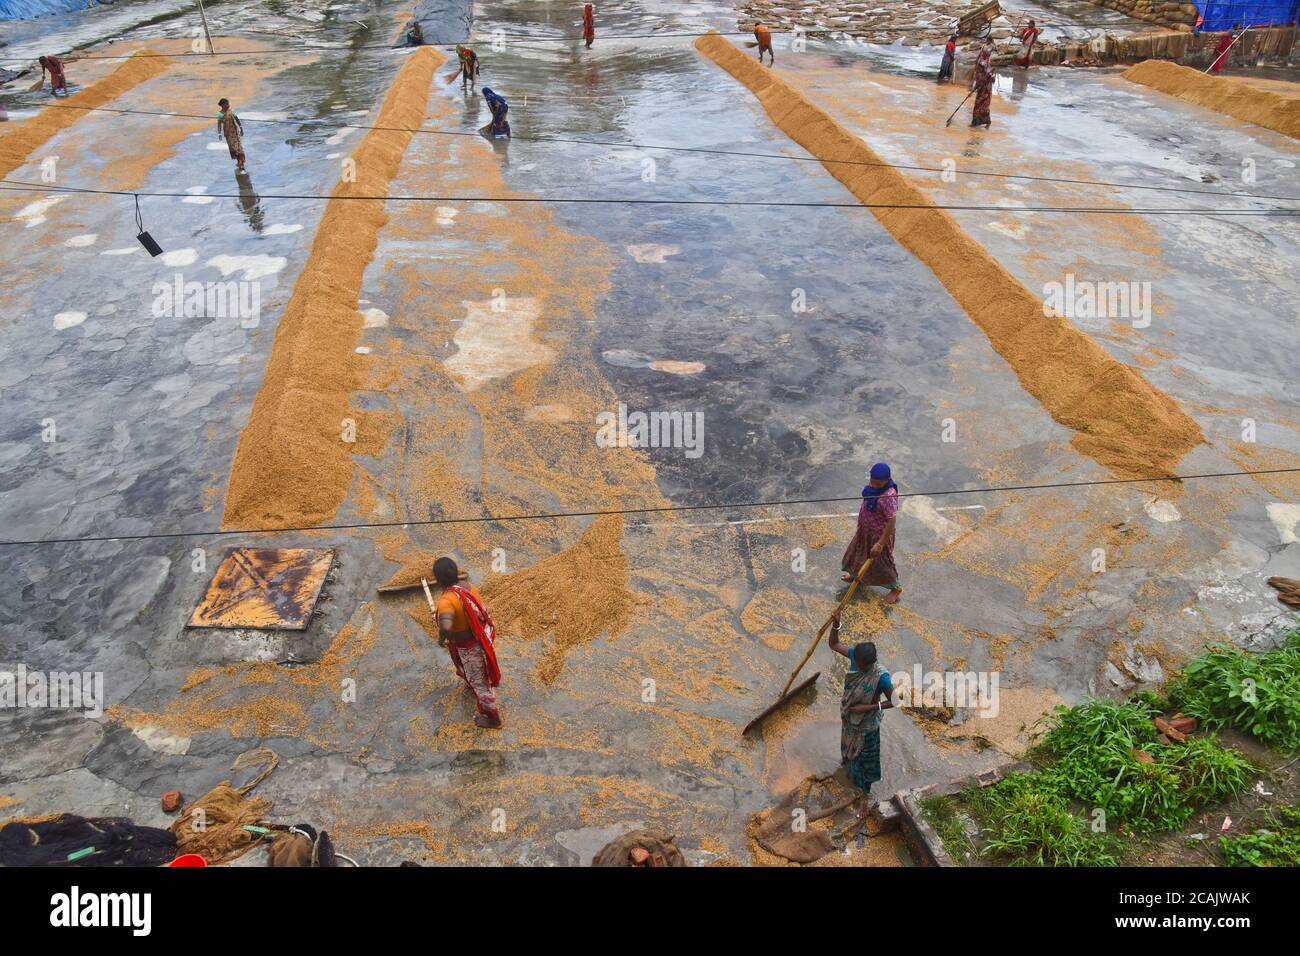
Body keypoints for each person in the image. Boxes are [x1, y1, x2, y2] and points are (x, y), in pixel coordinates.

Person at [829, 614, 896, 797]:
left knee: (864, 759)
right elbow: (834, 644)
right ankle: (847, 772)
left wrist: (866, 708)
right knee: (848, 751)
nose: (856, 666)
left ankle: (863, 795)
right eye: (855, 662)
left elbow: (895, 701)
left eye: (860, 666)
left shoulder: (881, 677)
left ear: (870, 664)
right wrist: (836, 626)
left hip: (867, 725)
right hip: (850, 719)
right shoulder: (855, 655)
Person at [433, 557, 503, 728]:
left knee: (480, 683)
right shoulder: (468, 586)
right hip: (479, 636)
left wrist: (442, 637)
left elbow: (447, 625)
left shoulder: (447, 601)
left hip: (470, 647)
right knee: (469, 670)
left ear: (437, 580)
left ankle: (493, 719)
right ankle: (471, 683)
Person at [840, 462, 902, 604]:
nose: (874, 486)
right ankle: (857, 576)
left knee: (881, 563)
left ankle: (896, 588)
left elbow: (891, 522)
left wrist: (880, 544)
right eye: (872, 482)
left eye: (878, 484)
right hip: (865, 531)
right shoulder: (872, 489)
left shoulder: (888, 496)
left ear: (887, 480)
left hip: (878, 536)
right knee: (858, 553)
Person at [970, 40, 995, 129]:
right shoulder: (981, 66)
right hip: (981, 90)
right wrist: (975, 87)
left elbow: (990, 79)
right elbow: (977, 78)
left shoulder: (986, 68)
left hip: (985, 91)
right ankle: (979, 122)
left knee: (982, 106)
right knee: (979, 106)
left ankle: (981, 122)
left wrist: (988, 77)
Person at [216, 98, 246, 171]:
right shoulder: (219, 114)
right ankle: (239, 162)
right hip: (228, 134)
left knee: (239, 148)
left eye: (228, 103)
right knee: (234, 149)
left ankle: (241, 163)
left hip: (235, 132)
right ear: (222, 105)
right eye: (226, 104)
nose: (228, 105)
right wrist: (219, 134)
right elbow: (219, 124)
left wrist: (241, 128)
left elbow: (236, 119)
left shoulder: (231, 111)